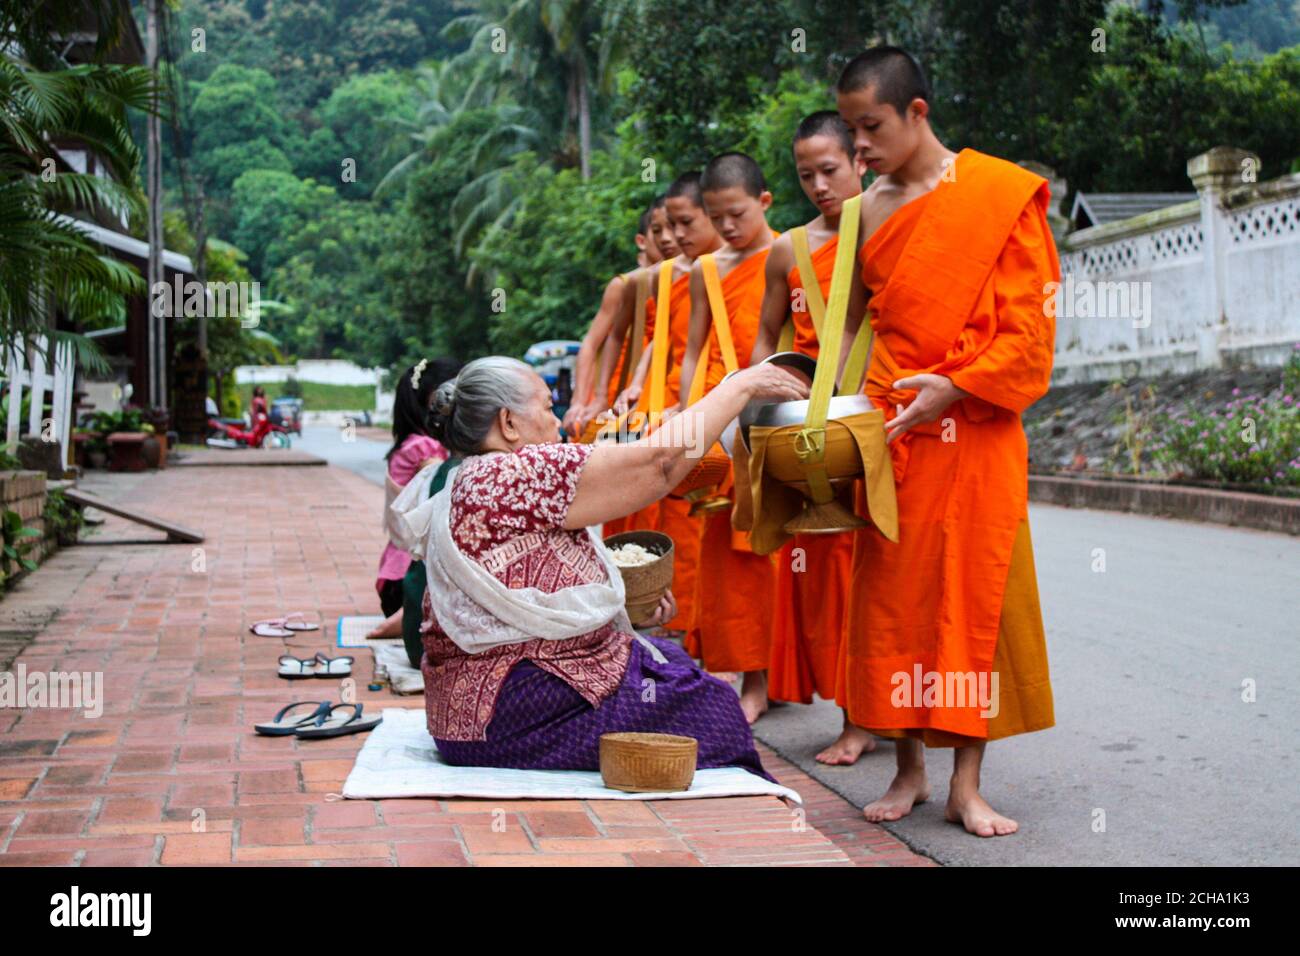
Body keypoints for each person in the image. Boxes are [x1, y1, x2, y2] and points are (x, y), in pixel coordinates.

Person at [836, 46, 1057, 835]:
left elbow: (1032, 333)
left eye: (872, 128)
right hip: (892, 427)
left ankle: (967, 783)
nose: (858, 149)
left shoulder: (998, 195)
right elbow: (854, 328)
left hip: (976, 428)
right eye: (851, 132)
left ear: (917, 113)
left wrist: (957, 387)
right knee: (894, 602)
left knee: (972, 602)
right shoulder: (865, 210)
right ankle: (907, 768)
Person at [417, 355, 808, 776]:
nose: (560, 421)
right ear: (509, 423)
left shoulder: (472, 474)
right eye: (549, 407)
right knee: (712, 706)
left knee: (670, 663)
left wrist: (627, 614)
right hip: (512, 705)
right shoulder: (513, 471)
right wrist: (741, 388)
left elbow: (651, 464)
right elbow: (658, 465)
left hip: (471, 711)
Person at [750, 110, 875, 764]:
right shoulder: (787, 250)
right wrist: (756, 405)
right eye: (807, 175)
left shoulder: (885, 231)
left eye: (831, 170)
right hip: (810, 435)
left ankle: (873, 718)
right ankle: (854, 712)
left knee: (873, 580)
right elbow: (765, 340)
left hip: (878, 422)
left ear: (860, 161)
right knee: (824, 581)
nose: (820, 185)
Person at [673, 154, 780, 724]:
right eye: (717, 217)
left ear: (764, 202)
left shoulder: (793, 254)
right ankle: (753, 677)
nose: (728, 226)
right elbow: (694, 350)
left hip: (781, 413)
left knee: (791, 557)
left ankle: (791, 671)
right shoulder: (706, 271)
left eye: (736, 213)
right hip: (725, 418)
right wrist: (695, 422)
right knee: (737, 558)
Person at [375, 357, 461, 618]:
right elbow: (445, 491)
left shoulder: (410, 443)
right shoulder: (425, 449)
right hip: (408, 577)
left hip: (392, 572)